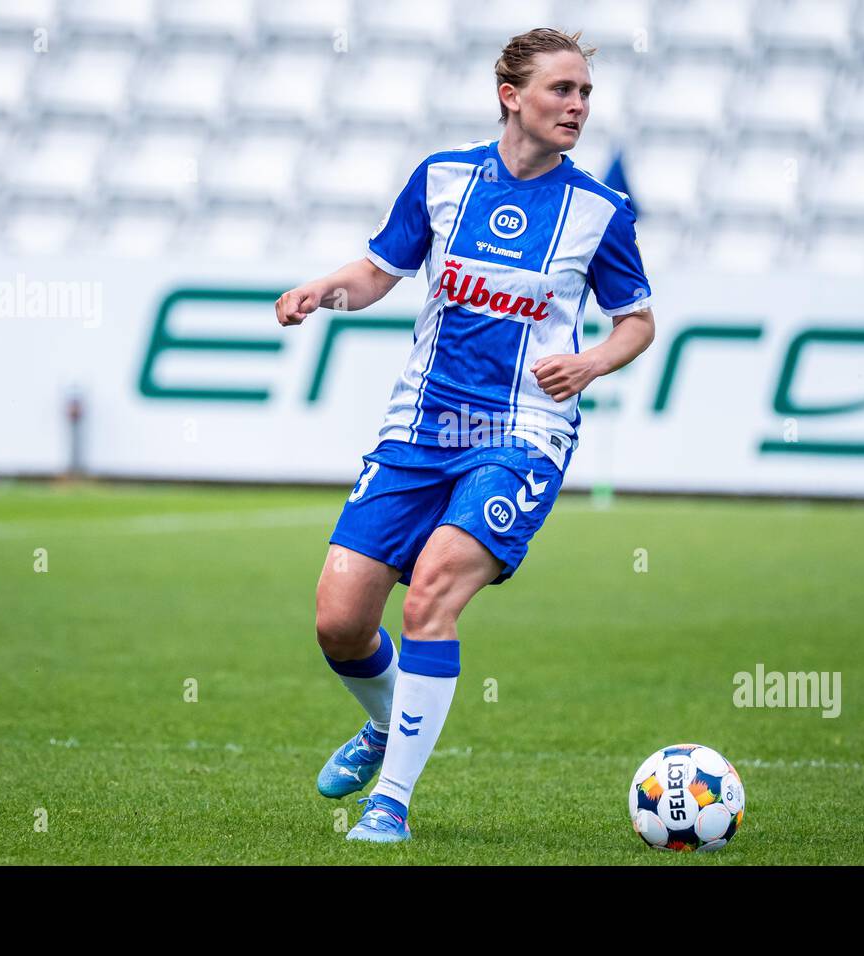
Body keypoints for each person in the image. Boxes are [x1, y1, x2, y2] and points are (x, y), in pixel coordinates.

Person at [275, 27, 655, 843]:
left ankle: (392, 804)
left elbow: (638, 323)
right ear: (511, 96)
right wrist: (321, 292)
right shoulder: (443, 179)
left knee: (436, 586)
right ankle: (384, 727)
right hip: (420, 424)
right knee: (339, 620)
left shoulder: (598, 210)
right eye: (563, 90)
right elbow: (377, 275)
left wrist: (589, 365)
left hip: (522, 432)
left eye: (586, 93)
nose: (579, 106)